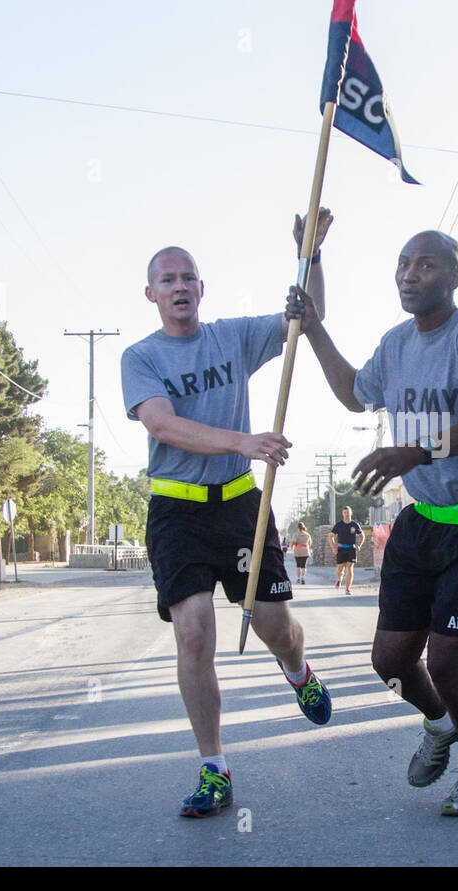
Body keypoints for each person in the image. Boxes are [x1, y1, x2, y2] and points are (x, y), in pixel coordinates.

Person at [296, 229, 458, 817]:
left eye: (426, 265)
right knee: (391, 661)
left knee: (447, 661)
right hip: (422, 523)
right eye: (403, 263)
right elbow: (354, 392)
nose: (410, 274)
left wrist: (418, 451)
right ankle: (440, 724)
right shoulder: (396, 344)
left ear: (454, 276)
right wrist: (314, 328)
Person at [120, 210, 334, 818]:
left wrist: (312, 256)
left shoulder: (233, 337)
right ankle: (214, 767)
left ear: (202, 288)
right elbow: (161, 423)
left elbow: (306, 319)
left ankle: (297, 670)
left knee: (275, 629)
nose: (180, 286)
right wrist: (243, 440)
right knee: (193, 632)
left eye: (189, 276)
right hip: (178, 513)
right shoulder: (140, 357)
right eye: (168, 280)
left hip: (243, 506)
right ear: (152, 294)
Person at [329, 506, 364, 593]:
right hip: (341, 548)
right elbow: (331, 536)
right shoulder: (339, 525)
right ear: (342, 514)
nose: (347, 514)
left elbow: (362, 536)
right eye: (345, 512)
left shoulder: (355, 525)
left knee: (349, 567)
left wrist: (359, 545)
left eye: (348, 512)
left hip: (351, 548)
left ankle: (347, 588)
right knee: (340, 568)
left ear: (351, 513)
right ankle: (339, 579)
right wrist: (333, 547)